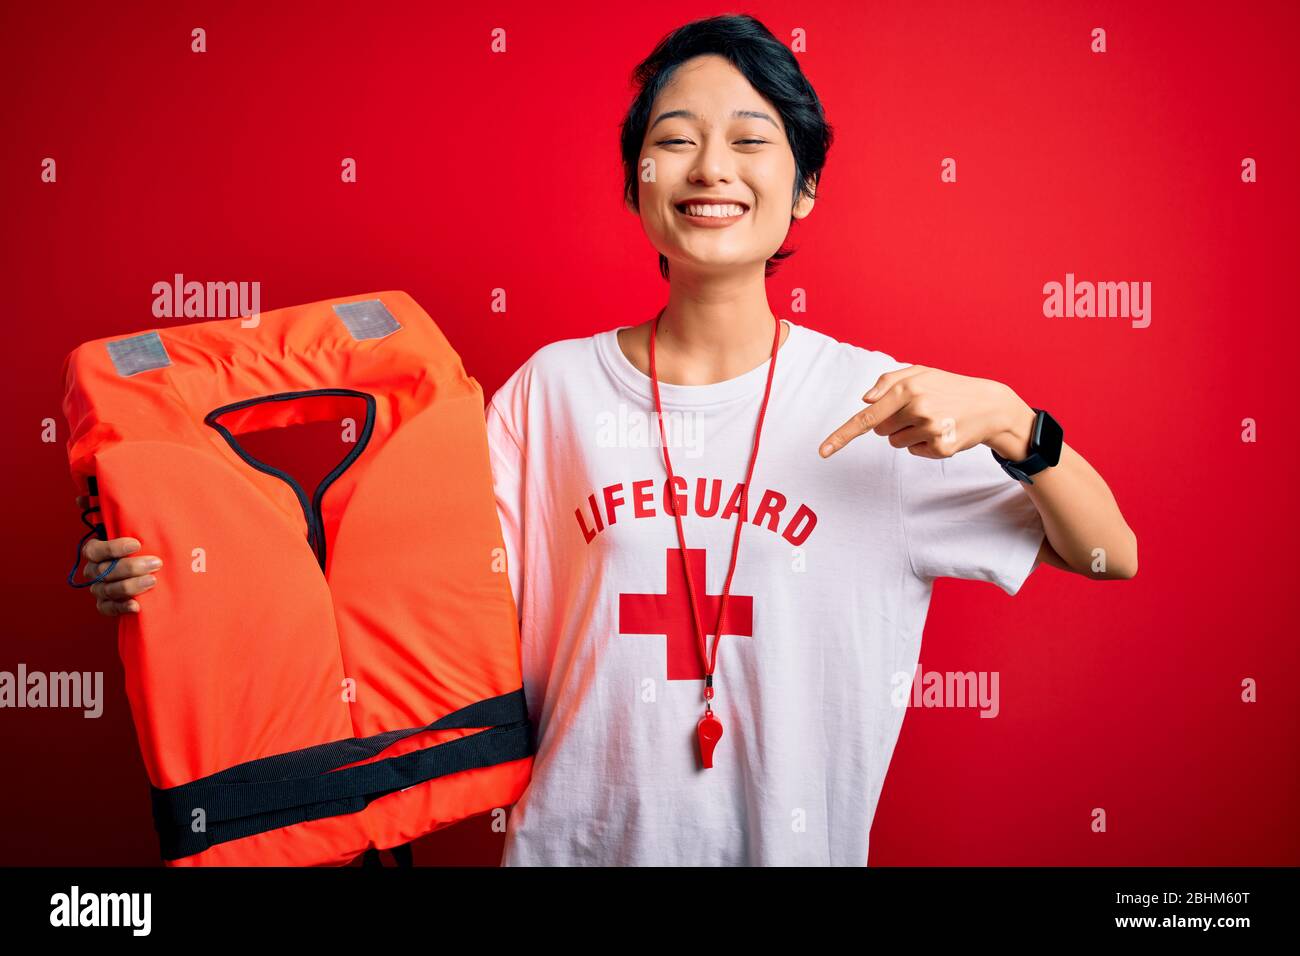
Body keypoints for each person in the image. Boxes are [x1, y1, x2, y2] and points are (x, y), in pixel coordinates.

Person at [74, 14, 1137, 866]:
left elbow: (1108, 554)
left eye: (749, 139)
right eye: (673, 139)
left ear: (803, 187)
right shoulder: (550, 391)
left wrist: (1013, 420)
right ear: (637, 181)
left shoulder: (882, 398)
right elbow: (396, 585)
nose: (708, 164)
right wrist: (181, 571)